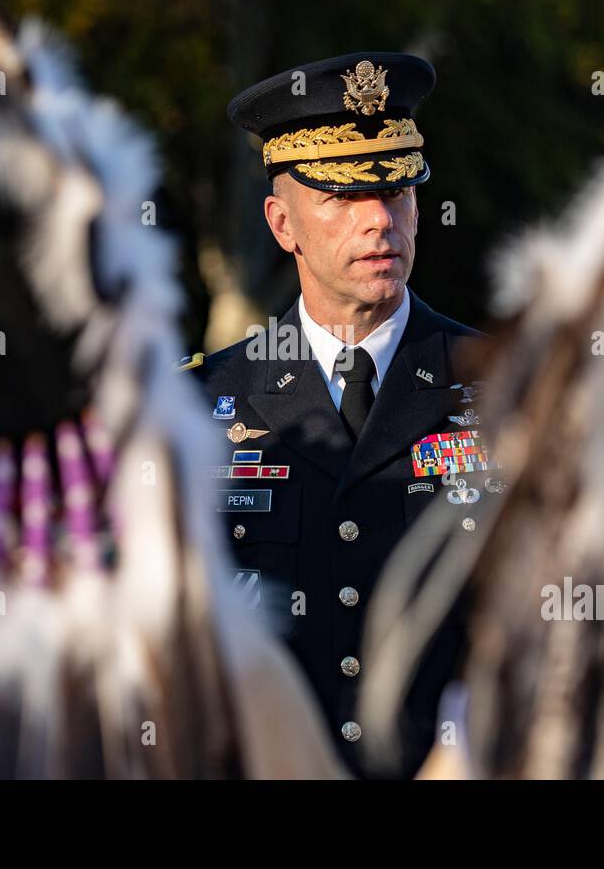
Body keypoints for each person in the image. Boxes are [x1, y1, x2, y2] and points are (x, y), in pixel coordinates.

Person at [184, 53, 497, 778]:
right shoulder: (200, 405)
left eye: (397, 191)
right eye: (342, 195)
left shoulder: (504, 388)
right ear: (282, 223)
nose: (379, 220)